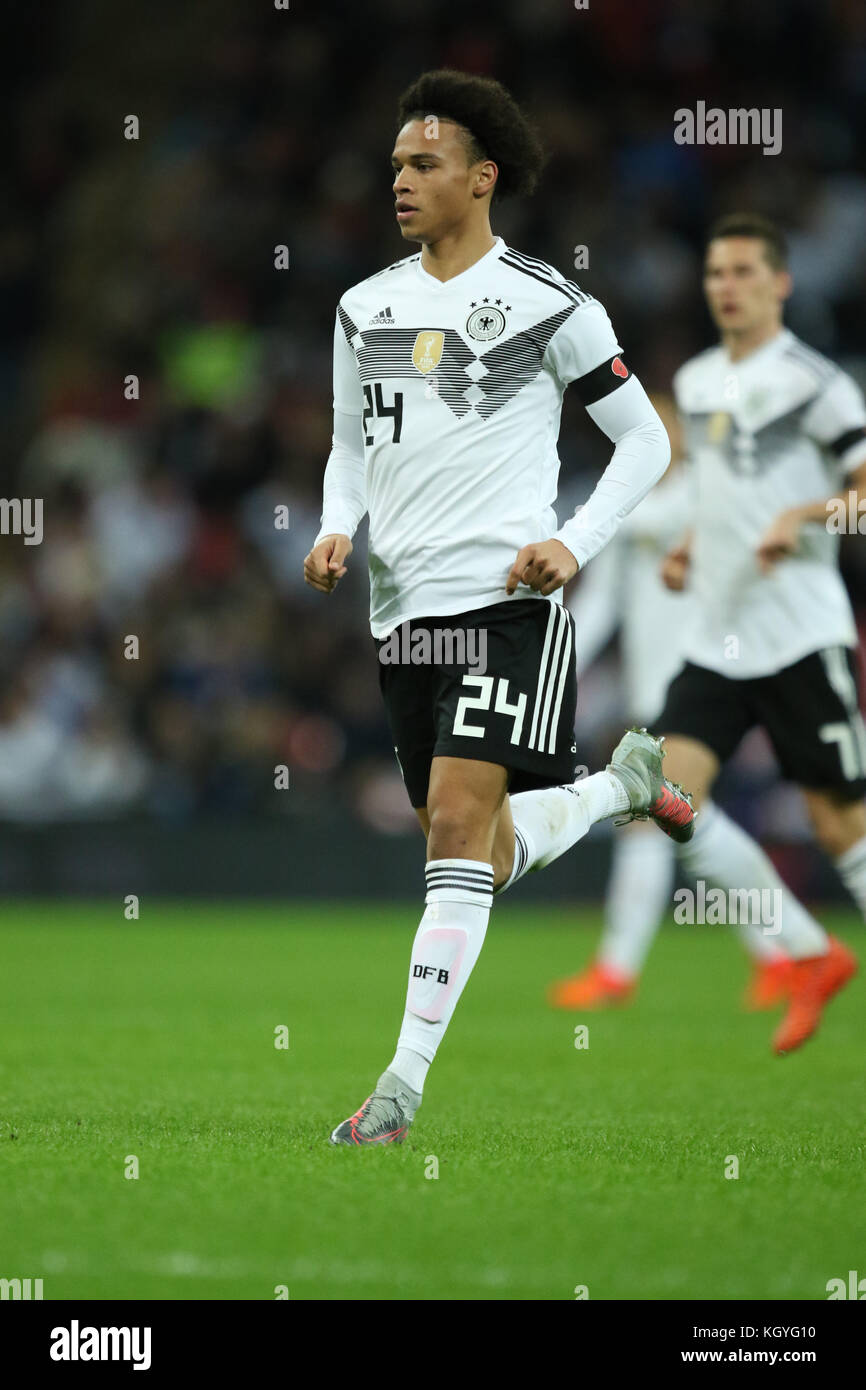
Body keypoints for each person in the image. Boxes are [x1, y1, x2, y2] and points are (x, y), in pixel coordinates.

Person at [304, 69, 693, 1145]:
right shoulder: (361, 304)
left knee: (458, 820)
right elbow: (348, 445)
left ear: (480, 178)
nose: (400, 180)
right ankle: (617, 789)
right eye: (394, 165)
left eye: (423, 164)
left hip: (507, 603)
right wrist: (337, 524)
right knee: (470, 840)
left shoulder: (546, 301)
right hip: (400, 614)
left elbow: (645, 442)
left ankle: (397, 1089)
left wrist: (570, 542)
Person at [633, 214, 864, 1055]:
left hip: (801, 633)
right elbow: (714, 489)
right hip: (717, 635)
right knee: (663, 796)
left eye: (742, 271)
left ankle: (812, 949)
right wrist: (691, 546)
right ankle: (808, 948)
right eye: (715, 273)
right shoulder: (695, 382)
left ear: (781, 283)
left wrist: (807, 515)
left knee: (842, 827)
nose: (725, 286)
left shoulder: (815, 383)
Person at [549, 397, 792, 1010]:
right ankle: (777, 955)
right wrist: (554, 667)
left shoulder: (711, 502)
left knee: (662, 822)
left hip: (702, 689)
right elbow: (602, 603)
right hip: (651, 694)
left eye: (665, 422)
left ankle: (622, 971)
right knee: (671, 823)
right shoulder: (627, 511)